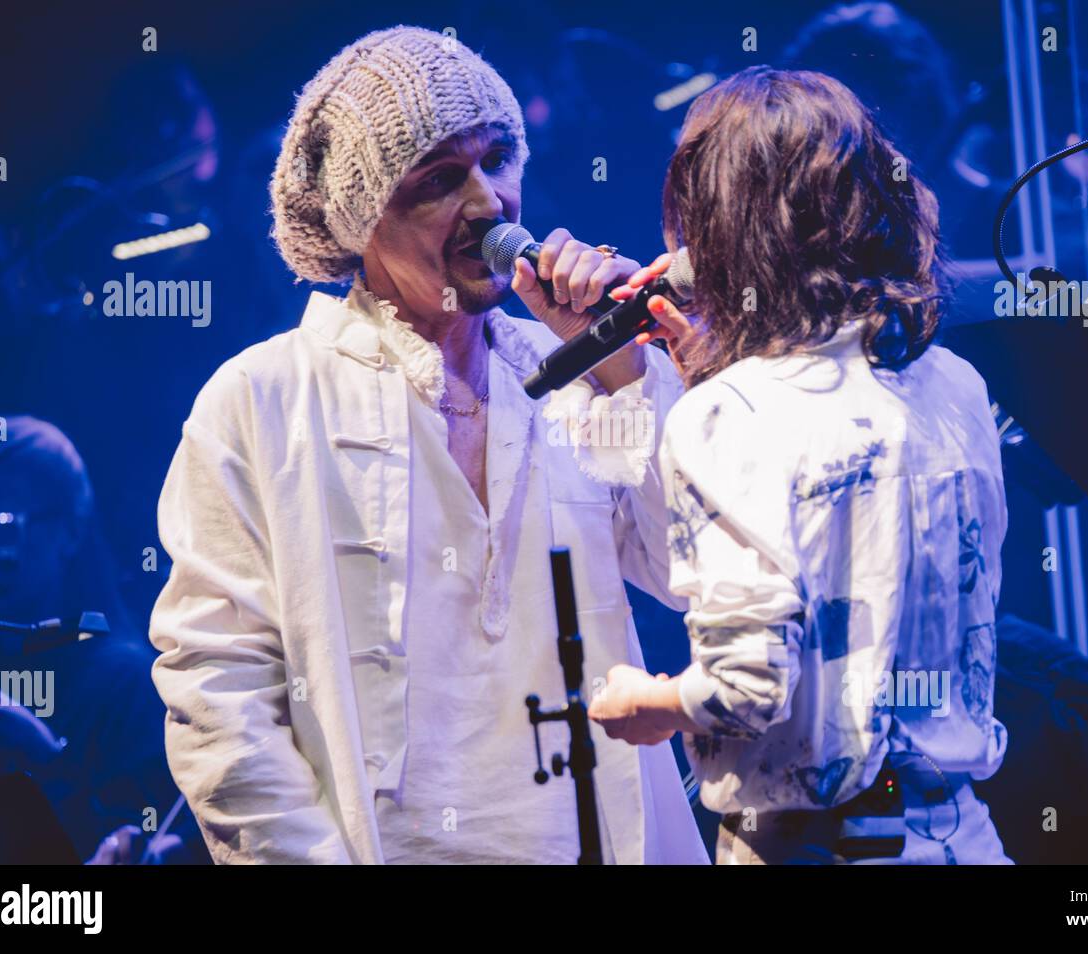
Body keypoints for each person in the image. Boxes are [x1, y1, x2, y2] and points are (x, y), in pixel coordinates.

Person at [149, 27, 706, 864]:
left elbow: (684, 570)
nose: (488, 202)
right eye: (441, 179)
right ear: (358, 214)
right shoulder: (260, 402)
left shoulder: (571, 377)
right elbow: (217, 697)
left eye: (498, 160)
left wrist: (624, 367)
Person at [588, 67, 1011, 864]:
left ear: (714, 219)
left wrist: (644, 703)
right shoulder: (955, 385)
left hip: (810, 847)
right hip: (961, 836)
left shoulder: (729, 414)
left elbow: (745, 690)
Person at [0, 414, 206, 863]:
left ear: (68, 530)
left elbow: (138, 840)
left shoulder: (127, 683)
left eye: (1, 529)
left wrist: (45, 757)